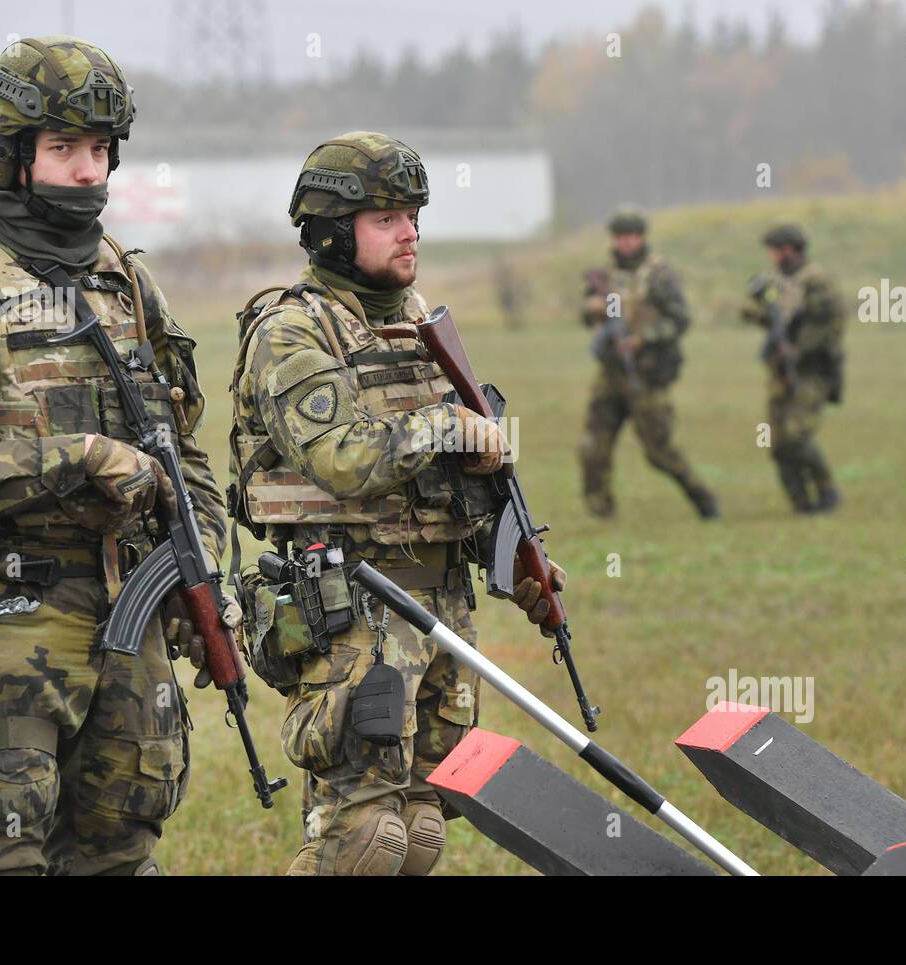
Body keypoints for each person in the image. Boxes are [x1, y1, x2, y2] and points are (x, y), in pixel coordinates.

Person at [0, 36, 229, 875]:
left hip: (127, 621)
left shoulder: (128, 284)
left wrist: (206, 569)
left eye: (101, 151)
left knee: (119, 859)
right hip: (1, 626)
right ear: (9, 155)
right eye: (64, 149)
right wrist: (80, 459)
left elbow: (186, 452)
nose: (88, 172)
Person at [228, 131, 565, 875]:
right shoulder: (293, 330)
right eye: (385, 218)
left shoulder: (419, 326)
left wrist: (520, 562)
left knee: (420, 832)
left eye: (413, 213)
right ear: (330, 232)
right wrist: (448, 425)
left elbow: (456, 487)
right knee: (365, 838)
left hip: (441, 611)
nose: (409, 229)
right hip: (354, 610)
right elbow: (343, 458)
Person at [578, 205, 718, 520]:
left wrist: (644, 338)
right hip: (610, 373)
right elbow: (585, 314)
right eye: (620, 237)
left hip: (648, 374)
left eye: (632, 237)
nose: (626, 243)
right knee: (592, 447)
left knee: (659, 451)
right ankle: (601, 513)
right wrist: (594, 307)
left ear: (641, 238)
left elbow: (680, 319)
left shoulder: (659, 275)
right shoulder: (605, 275)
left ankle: (704, 499)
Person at [740, 223, 845, 513]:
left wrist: (799, 348)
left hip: (812, 369)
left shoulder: (817, 281)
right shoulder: (772, 283)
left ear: (789, 250)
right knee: (776, 442)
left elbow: (832, 324)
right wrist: (761, 315)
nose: (772, 256)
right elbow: (753, 309)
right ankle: (800, 502)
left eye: (775, 250)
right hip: (779, 369)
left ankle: (826, 488)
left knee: (796, 436)